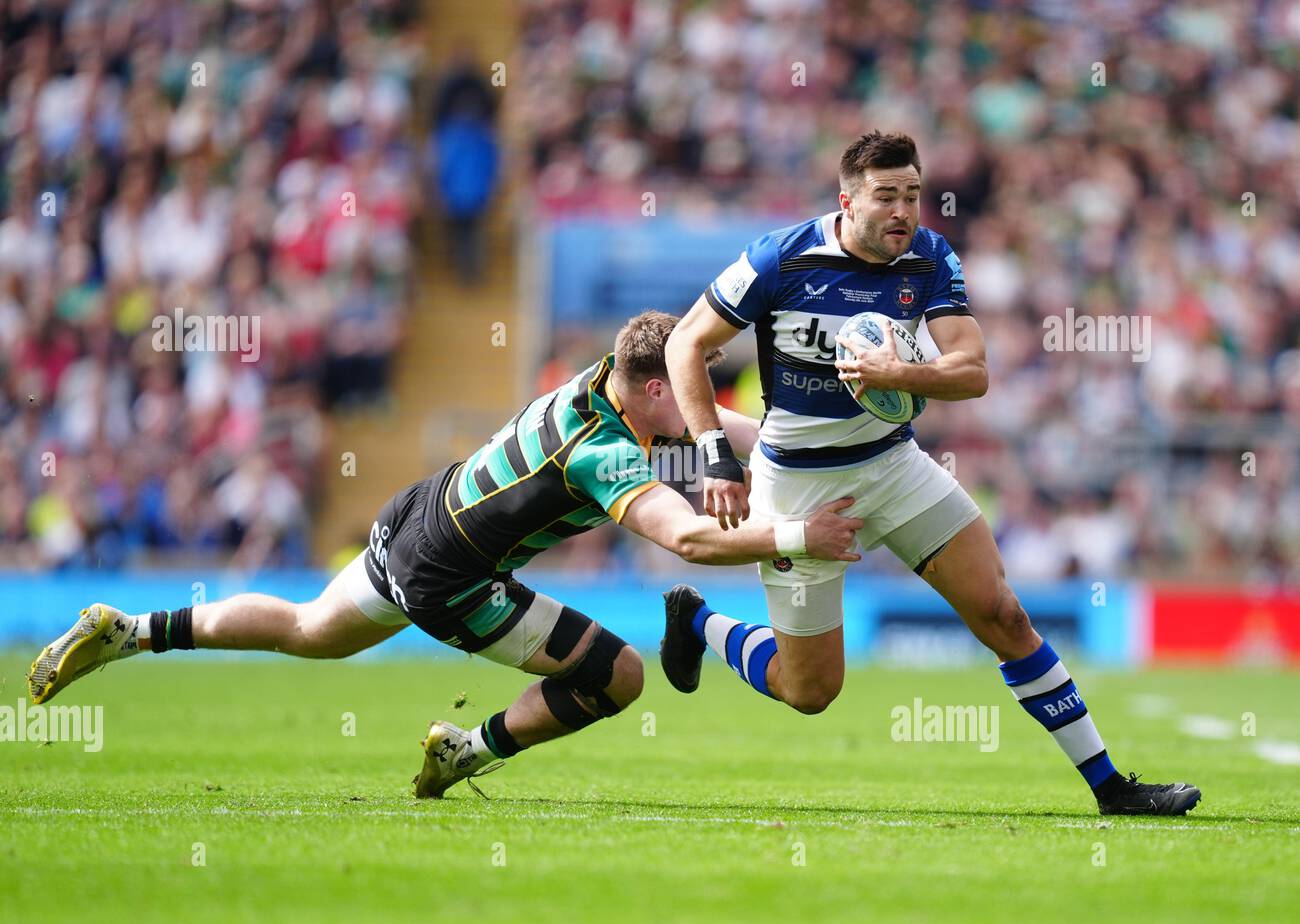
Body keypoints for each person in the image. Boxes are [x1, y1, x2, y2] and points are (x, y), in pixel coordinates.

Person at [27, 311, 861, 798]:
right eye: (685, 388)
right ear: (652, 389)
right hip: (456, 577)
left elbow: (719, 432)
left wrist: (792, 451)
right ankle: (470, 748)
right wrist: (798, 534)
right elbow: (684, 537)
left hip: (420, 512)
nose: (697, 403)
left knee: (310, 628)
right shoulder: (605, 453)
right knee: (619, 675)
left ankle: (131, 629)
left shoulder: (599, 380)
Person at [660, 131, 1200, 816]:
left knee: (1003, 612)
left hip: (894, 463)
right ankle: (700, 619)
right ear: (847, 200)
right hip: (797, 484)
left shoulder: (929, 258)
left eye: (912, 195)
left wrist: (900, 374)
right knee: (811, 691)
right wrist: (712, 453)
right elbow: (688, 342)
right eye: (886, 196)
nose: (902, 212)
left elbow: (971, 372)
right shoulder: (780, 258)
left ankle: (1111, 786)